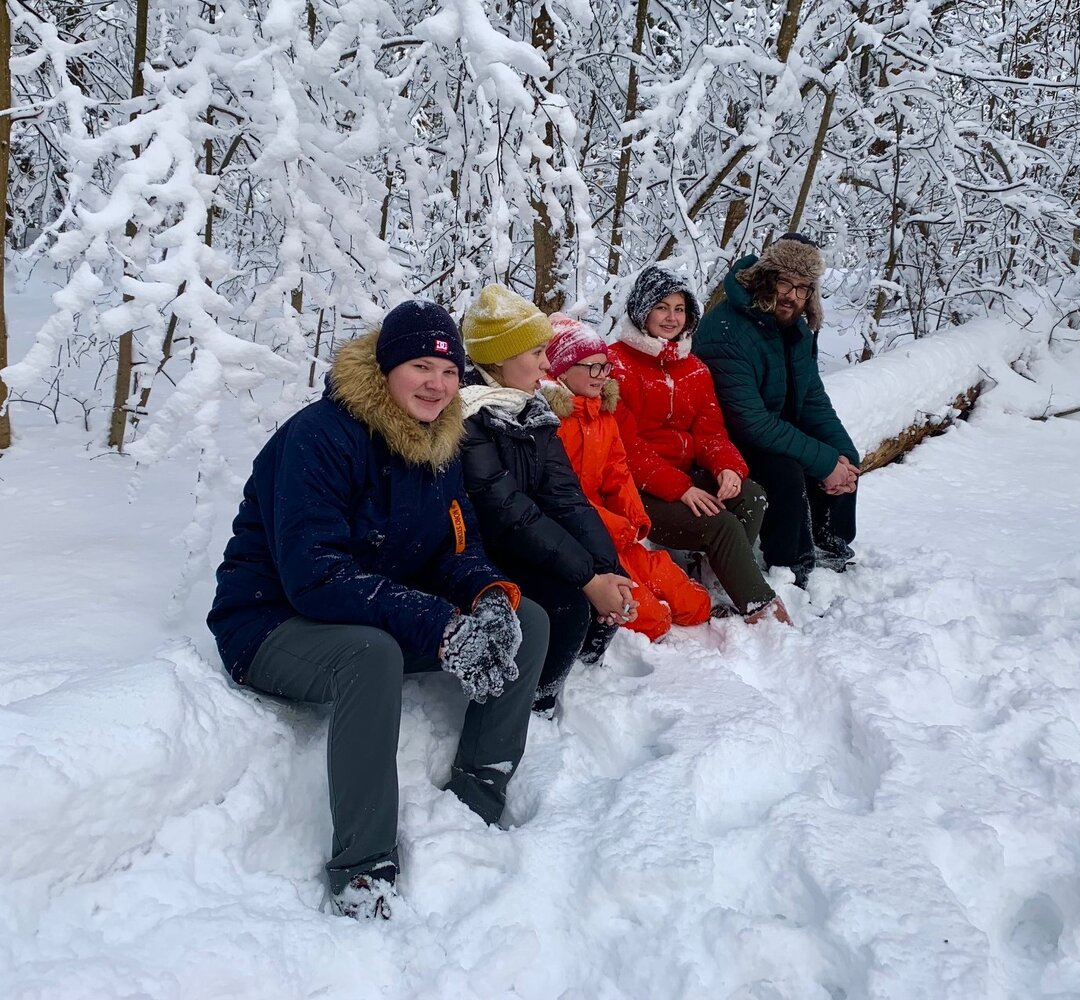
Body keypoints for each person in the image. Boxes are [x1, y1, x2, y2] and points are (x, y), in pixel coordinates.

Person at [207, 301, 550, 921]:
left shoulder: (437, 443)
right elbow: (314, 576)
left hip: (370, 606)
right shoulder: (319, 437)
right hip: (272, 621)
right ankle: (363, 866)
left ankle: (478, 792)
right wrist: (442, 625)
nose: (437, 384)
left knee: (528, 620)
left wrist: (488, 599)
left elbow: (458, 547)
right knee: (372, 655)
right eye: (420, 366)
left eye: (449, 373)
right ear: (386, 368)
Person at [457, 284, 638, 718]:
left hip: (521, 539)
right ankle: (534, 703)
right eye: (537, 352)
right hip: (478, 549)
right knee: (570, 602)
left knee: (607, 582)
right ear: (500, 357)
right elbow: (505, 511)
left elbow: (565, 496)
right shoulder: (466, 416)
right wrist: (587, 579)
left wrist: (606, 569)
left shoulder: (530, 408)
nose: (545, 363)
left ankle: (570, 667)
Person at [609, 265, 791, 625]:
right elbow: (625, 447)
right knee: (719, 523)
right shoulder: (616, 365)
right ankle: (761, 609)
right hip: (639, 490)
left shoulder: (693, 367)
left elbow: (710, 431)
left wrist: (727, 467)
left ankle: (716, 575)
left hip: (686, 477)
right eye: (662, 307)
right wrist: (681, 489)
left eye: (680, 309)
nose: (671, 317)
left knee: (751, 496)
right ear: (642, 309)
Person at [694, 234, 860, 588]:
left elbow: (812, 396)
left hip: (768, 426)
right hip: (726, 438)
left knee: (839, 455)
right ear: (765, 277)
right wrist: (824, 462)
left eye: (803, 289)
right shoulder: (727, 329)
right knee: (787, 471)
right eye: (785, 282)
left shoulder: (795, 327)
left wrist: (842, 456)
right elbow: (749, 422)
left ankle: (829, 545)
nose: (792, 296)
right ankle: (790, 565)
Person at [542, 313, 711, 642]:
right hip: (584, 541)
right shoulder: (553, 422)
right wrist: (613, 527)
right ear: (562, 369)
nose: (601, 375)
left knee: (694, 605)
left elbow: (617, 470)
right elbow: (562, 498)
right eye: (591, 367)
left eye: (604, 366)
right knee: (653, 619)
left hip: (616, 534)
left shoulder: (603, 413)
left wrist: (633, 517)